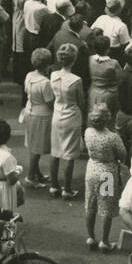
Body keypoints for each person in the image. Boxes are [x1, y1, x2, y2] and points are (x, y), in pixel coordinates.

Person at [83, 106, 127, 251]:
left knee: (91, 204)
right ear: (107, 119)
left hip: (91, 170)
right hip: (107, 173)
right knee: (106, 207)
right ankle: (105, 241)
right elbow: (122, 155)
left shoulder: (88, 132)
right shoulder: (113, 137)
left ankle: (91, 237)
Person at [49, 42, 84, 198]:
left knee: (55, 151)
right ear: (74, 60)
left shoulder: (53, 75)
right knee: (69, 153)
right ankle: (67, 188)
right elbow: (81, 101)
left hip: (57, 113)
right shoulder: (76, 80)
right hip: (71, 114)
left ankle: (54, 186)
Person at [22, 48, 55, 188]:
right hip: (42, 115)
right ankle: (30, 176)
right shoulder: (45, 82)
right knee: (38, 148)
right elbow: (50, 102)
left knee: (33, 145)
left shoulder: (29, 75)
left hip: (29, 111)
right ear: (47, 65)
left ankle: (37, 173)